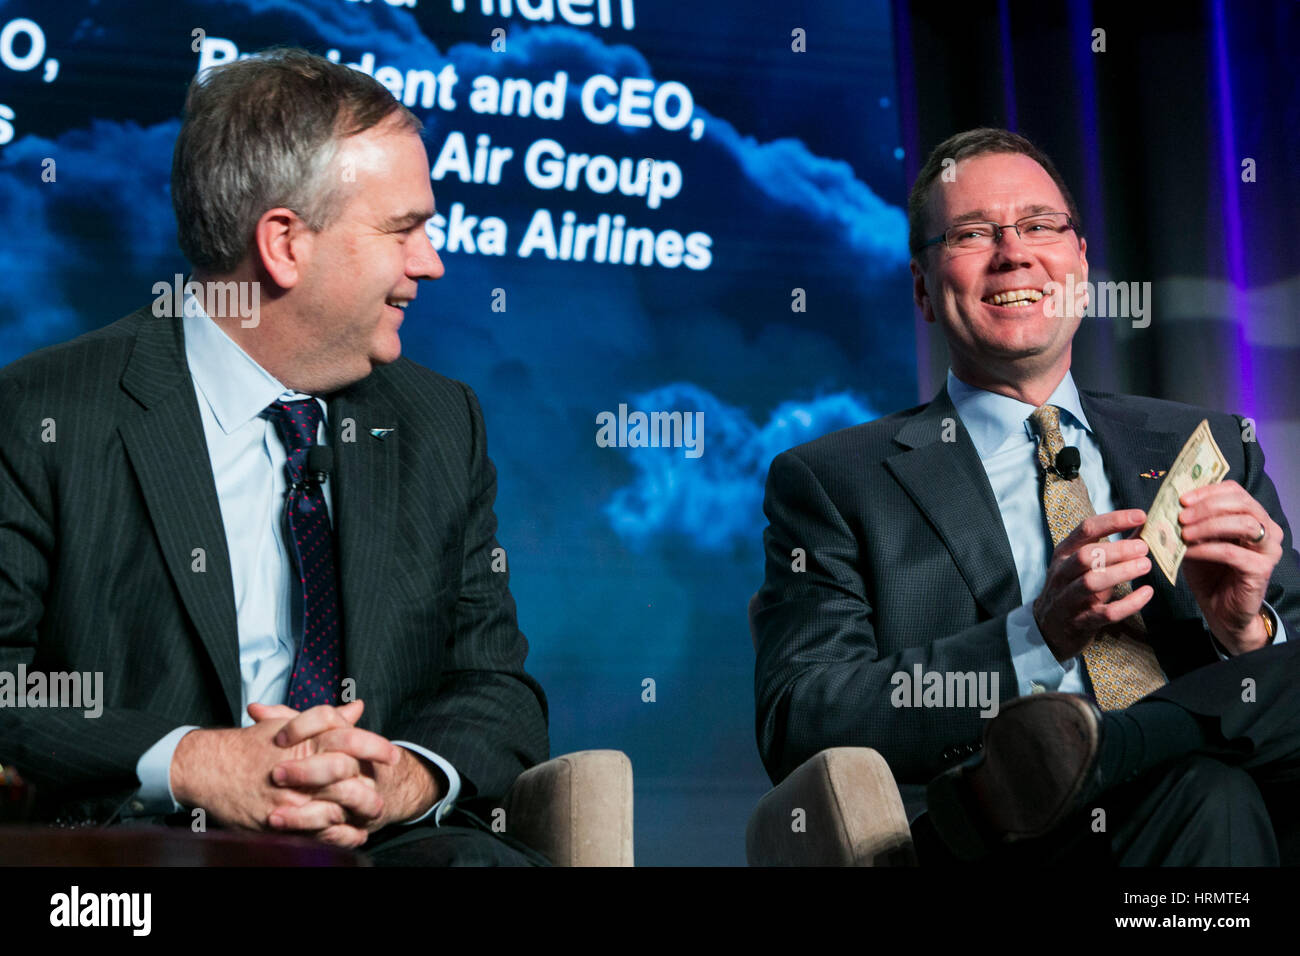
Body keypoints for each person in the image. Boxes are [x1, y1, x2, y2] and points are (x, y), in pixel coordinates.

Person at [0, 48, 549, 866]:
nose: (430, 263)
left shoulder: (441, 423)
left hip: (381, 849)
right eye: (405, 230)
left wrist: (398, 779)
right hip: (139, 850)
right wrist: (194, 762)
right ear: (285, 244)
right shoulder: (42, 414)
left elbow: (495, 688)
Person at [752, 127, 1300, 865]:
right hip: (1008, 842)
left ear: (1078, 262)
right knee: (1211, 794)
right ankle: (1070, 760)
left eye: (1040, 226)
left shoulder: (1206, 440)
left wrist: (1244, 633)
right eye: (973, 233)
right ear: (923, 287)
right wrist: (1034, 638)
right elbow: (801, 718)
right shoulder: (833, 479)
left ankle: (1106, 749)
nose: (1015, 252)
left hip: (1245, 802)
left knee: (1213, 788)